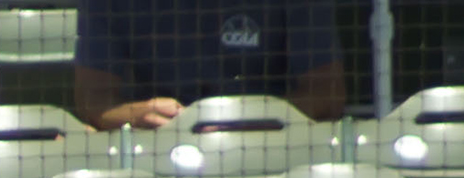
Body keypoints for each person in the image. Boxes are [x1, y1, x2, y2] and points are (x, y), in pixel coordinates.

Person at [74, 0, 347, 127]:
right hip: (162, 146)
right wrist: (137, 114)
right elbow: (93, 100)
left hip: (269, 143)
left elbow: (327, 93)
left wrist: (245, 119)